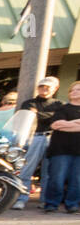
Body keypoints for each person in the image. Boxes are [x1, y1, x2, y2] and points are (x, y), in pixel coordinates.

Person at [19, 77, 63, 209]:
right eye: (41, 86)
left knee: (48, 171)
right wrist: (50, 116)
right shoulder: (28, 103)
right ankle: (21, 198)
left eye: (47, 87)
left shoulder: (60, 104)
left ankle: (45, 200)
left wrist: (40, 114)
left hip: (52, 138)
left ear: (55, 88)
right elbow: (30, 116)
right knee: (26, 169)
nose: (44, 89)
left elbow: (56, 120)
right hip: (33, 137)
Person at [43, 80, 80, 214]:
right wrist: (77, 123)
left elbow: (62, 125)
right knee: (56, 178)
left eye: (78, 90)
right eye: (72, 90)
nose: (75, 92)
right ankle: (51, 204)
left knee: (77, 180)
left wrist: (67, 124)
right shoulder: (62, 108)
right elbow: (55, 125)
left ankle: (72, 205)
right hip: (60, 149)